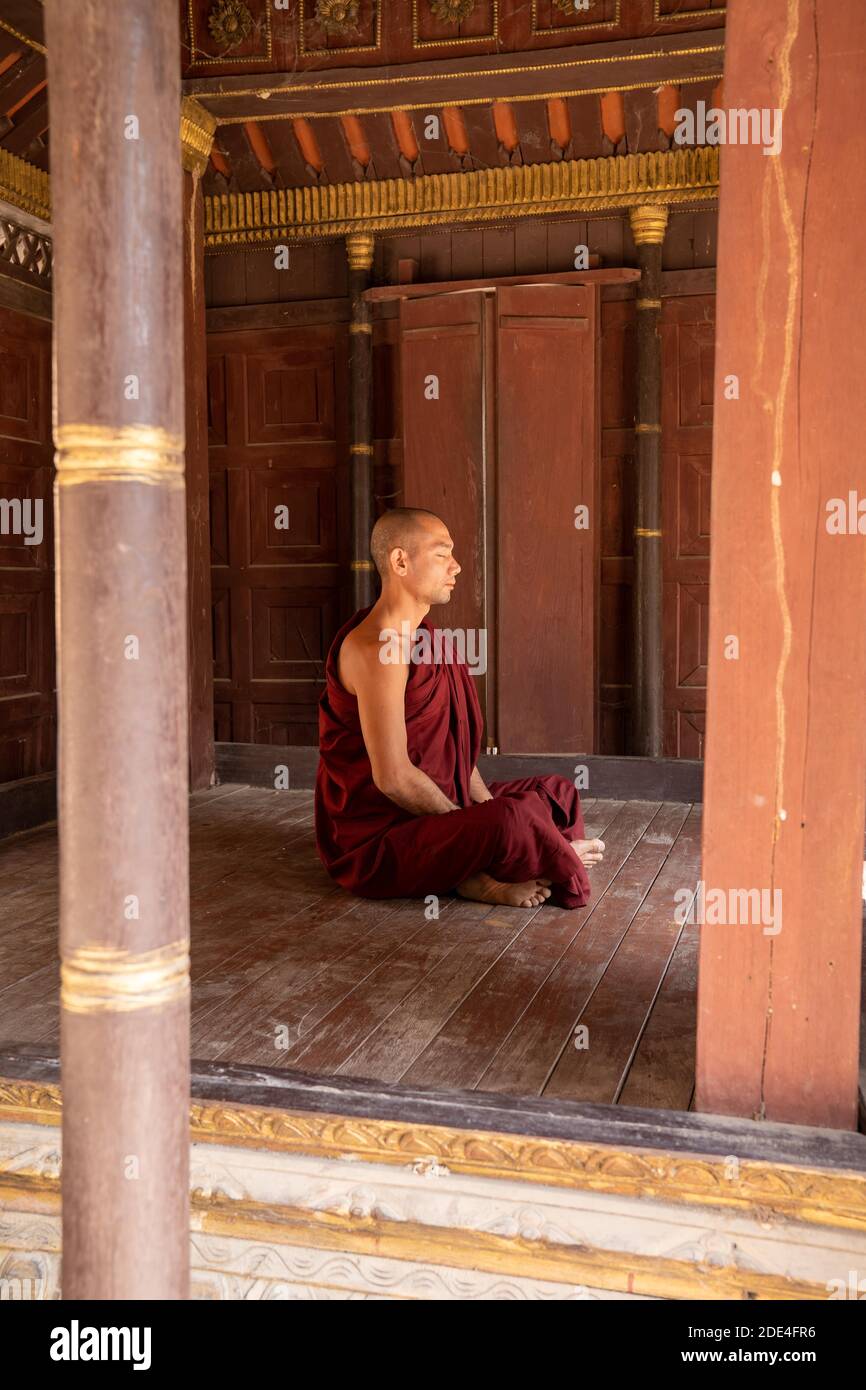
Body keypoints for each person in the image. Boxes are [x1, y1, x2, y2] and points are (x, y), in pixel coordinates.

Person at [314, 508, 604, 909]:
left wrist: (481, 814)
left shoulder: (426, 639)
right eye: (441, 554)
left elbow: (454, 750)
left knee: (557, 792)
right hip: (383, 838)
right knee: (511, 821)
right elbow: (394, 778)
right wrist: (473, 828)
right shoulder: (375, 650)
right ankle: (486, 874)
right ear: (400, 561)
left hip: (438, 810)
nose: (457, 566)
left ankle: (521, 854)